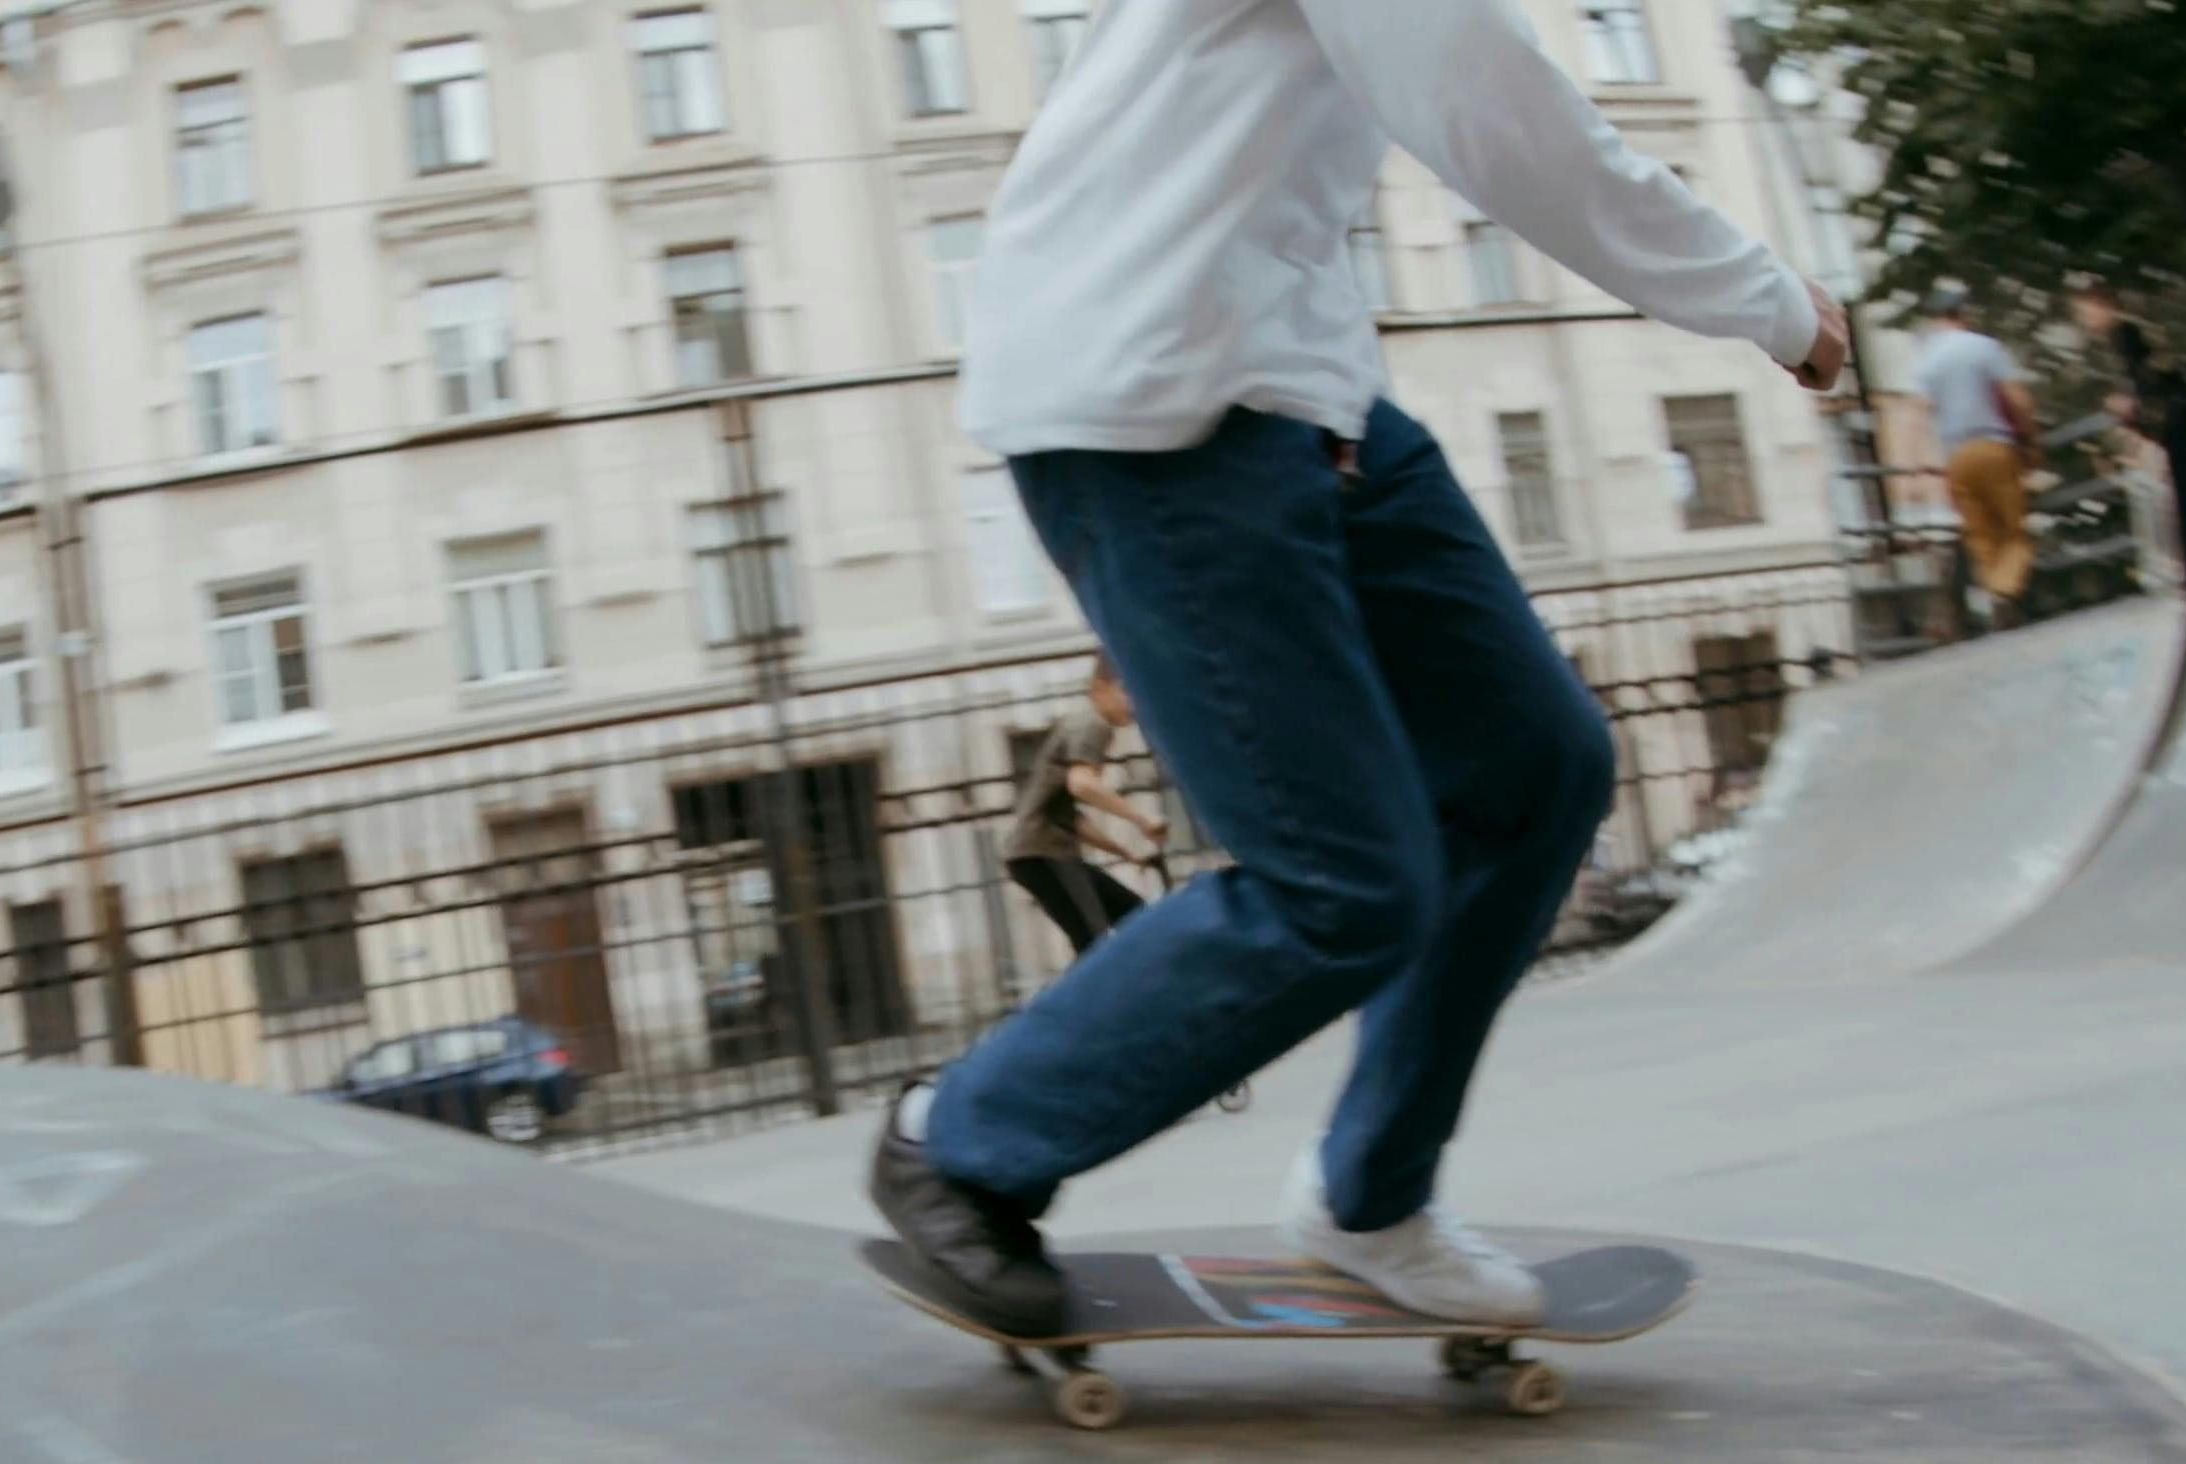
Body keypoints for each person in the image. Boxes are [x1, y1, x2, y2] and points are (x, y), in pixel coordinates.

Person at [870, 0, 1848, 1337]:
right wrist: (1768, 300)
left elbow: (1266, 176)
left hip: (1303, 402)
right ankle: (958, 1141)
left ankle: (1368, 1199)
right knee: (1343, 887)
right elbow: (1499, 114)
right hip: (1157, 414)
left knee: (1535, 764)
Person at [1004, 659, 1165, 958]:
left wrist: (1125, 853)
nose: (1134, 703)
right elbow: (1083, 784)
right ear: (1099, 689)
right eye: (1126, 691)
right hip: (1040, 853)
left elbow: (1069, 818)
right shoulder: (1093, 724)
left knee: (1132, 912)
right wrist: (1142, 819)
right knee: (1093, 944)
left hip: (1044, 852)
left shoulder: (1084, 724)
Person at [2070, 280, 2186, 593]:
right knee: (2184, 503)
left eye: (2086, 313)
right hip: (2180, 422)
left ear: (2102, 306)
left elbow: (2148, 389)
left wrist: (2131, 418)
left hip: (2172, 429)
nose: (2085, 321)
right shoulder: (2132, 336)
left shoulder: (2125, 336)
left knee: (2181, 506)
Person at [1911, 281, 2041, 633]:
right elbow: (2016, 399)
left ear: (1935, 318)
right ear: (1963, 314)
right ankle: (2004, 590)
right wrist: (2029, 438)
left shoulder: (1926, 362)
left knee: (1980, 534)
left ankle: (1997, 595)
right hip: (1993, 447)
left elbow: (1920, 415)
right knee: (2014, 530)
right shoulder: (1984, 348)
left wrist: (1923, 468)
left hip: (1957, 458)